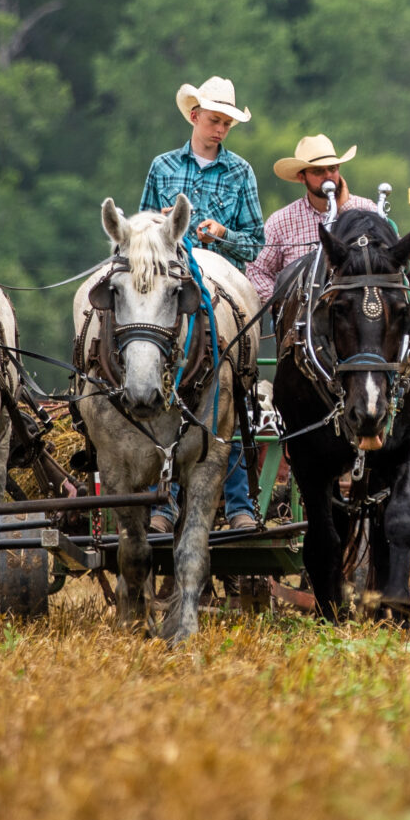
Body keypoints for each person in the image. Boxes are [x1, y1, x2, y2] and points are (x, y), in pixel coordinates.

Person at [141, 75, 264, 533]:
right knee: (162, 382)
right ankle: (165, 502)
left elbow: (255, 243)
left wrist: (222, 234)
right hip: (172, 286)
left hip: (222, 290)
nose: (221, 130)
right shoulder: (162, 167)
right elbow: (142, 231)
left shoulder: (241, 172)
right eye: (215, 121)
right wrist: (163, 230)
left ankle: (239, 503)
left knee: (231, 393)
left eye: (227, 124)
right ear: (194, 116)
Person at [245, 133, 384, 302]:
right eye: (318, 171)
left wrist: (346, 209)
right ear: (301, 177)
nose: (328, 175)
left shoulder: (366, 208)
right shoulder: (281, 221)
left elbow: (390, 256)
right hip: (301, 313)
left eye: (332, 168)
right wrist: (284, 304)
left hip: (358, 308)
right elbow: (257, 269)